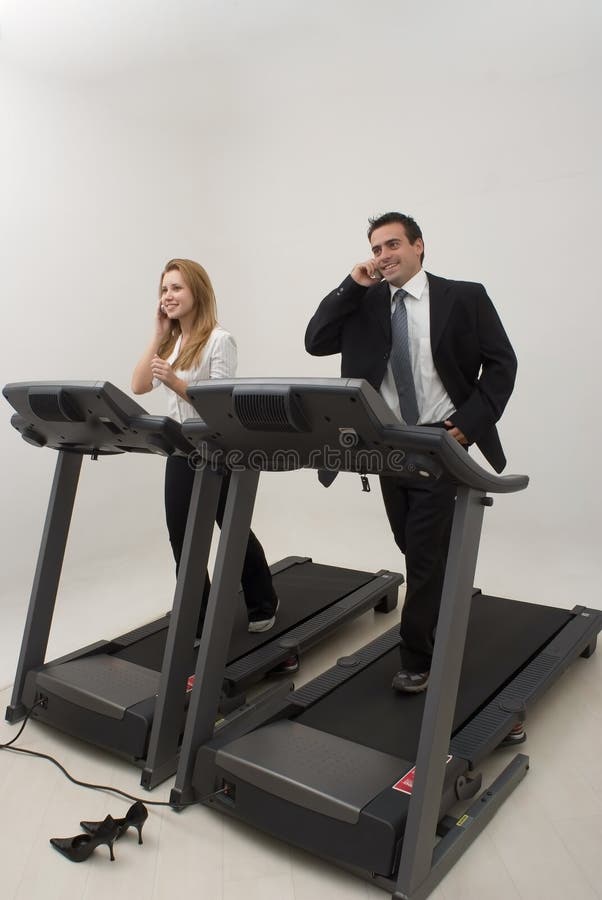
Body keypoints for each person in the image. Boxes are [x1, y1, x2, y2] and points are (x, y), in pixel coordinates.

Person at [305, 212, 518, 698]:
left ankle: (417, 658)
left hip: (440, 442)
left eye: (393, 244)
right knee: (412, 544)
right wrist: (352, 285)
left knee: (422, 553)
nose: (383, 256)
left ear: (419, 246)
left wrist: (468, 423)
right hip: (386, 444)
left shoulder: (464, 297)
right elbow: (315, 341)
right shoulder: (364, 302)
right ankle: (441, 605)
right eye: (376, 248)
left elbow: (502, 364)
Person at [132, 259, 296, 671]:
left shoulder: (220, 341)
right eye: (164, 289)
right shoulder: (170, 343)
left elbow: (219, 404)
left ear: (197, 292)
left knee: (231, 528)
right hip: (179, 450)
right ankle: (200, 615)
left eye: (176, 288)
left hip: (217, 449)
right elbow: (137, 385)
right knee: (181, 537)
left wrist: (174, 380)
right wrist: (158, 335)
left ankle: (263, 599)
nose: (168, 296)